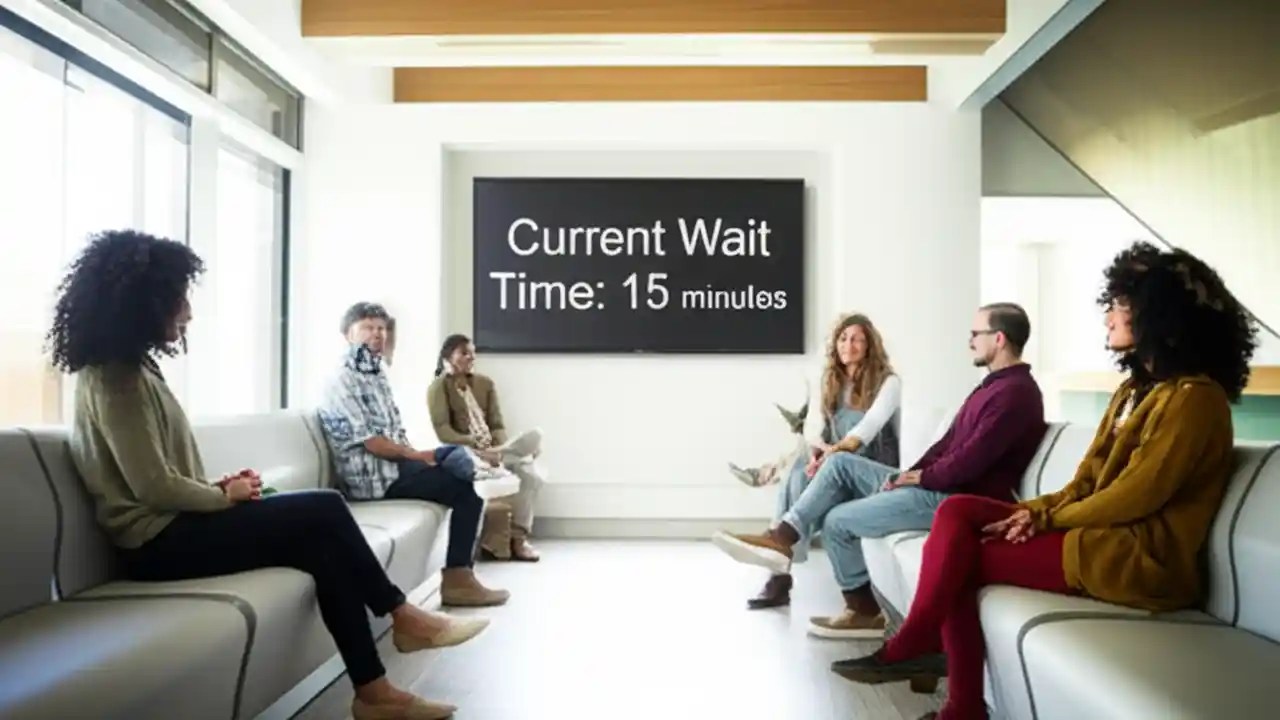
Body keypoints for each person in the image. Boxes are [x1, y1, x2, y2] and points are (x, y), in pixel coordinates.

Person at [53, 231, 482, 720]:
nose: (188, 312)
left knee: (324, 550)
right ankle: (402, 616)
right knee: (323, 505)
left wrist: (218, 488)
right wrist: (224, 497)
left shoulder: (131, 370)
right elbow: (151, 488)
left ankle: (374, 694)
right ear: (142, 301)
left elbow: (155, 473)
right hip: (155, 545)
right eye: (179, 298)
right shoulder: (116, 380)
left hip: (171, 527)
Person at [831, 242, 1258, 720]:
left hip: (1139, 560)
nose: (1109, 317)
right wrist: (1034, 511)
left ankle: (953, 693)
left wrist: (1045, 516)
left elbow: (1134, 498)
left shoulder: (1196, 401)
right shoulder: (1132, 393)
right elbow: (1086, 482)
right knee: (957, 510)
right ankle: (931, 654)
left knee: (961, 559)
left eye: (1121, 305)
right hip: (1100, 536)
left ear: (1161, 313)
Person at [713, 304, 1047, 636]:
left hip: (955, 498)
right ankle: (782, 543)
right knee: (829, 464)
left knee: (837, 519)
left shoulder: (1014, 395)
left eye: (976, 334)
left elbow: (971, 461)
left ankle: (858, 605)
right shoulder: (990, 388)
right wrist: (912, 474)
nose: (970, 341)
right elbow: (947, 447)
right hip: (935, 485)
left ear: (999, 339)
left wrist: (921, 478)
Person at [318, 304, 509, 607]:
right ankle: (459, 580)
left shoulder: (375, 374)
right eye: (368, 327)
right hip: (373, 478)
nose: (378, 334)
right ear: (347, 334)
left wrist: (418, 456)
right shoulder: (342, 380)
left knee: (454, 464)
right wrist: (419, 456)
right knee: (464, 487)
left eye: (382, 328)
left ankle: (480, 468)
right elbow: (374, 444)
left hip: (392, 469)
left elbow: (393, 435)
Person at [721, 313, 905, 610]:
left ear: (870, 344)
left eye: (858, 338)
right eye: (844, 338)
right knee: (798, 471)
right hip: (834, 464)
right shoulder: (831, 381)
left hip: (869, 470)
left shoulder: (889, 382)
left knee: (806, 470)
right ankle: (778, 556)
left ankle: (779, 562)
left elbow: (867, 429)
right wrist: (820, 451)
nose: (850, 345)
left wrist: (831, 456)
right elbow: (814, 428)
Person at [427, 334, 545, 562]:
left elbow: (497, 424)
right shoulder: (438, 387)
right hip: (466, 451)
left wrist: (499, 446)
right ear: (448, 357)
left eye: (472, 352)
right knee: (525, 460)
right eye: (464, 353)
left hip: (495, 448)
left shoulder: (485, 384)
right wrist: (475, 444)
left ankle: (518, 539)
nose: (471, 357)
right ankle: (511, 454)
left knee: (532, 471)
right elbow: (443, 432)